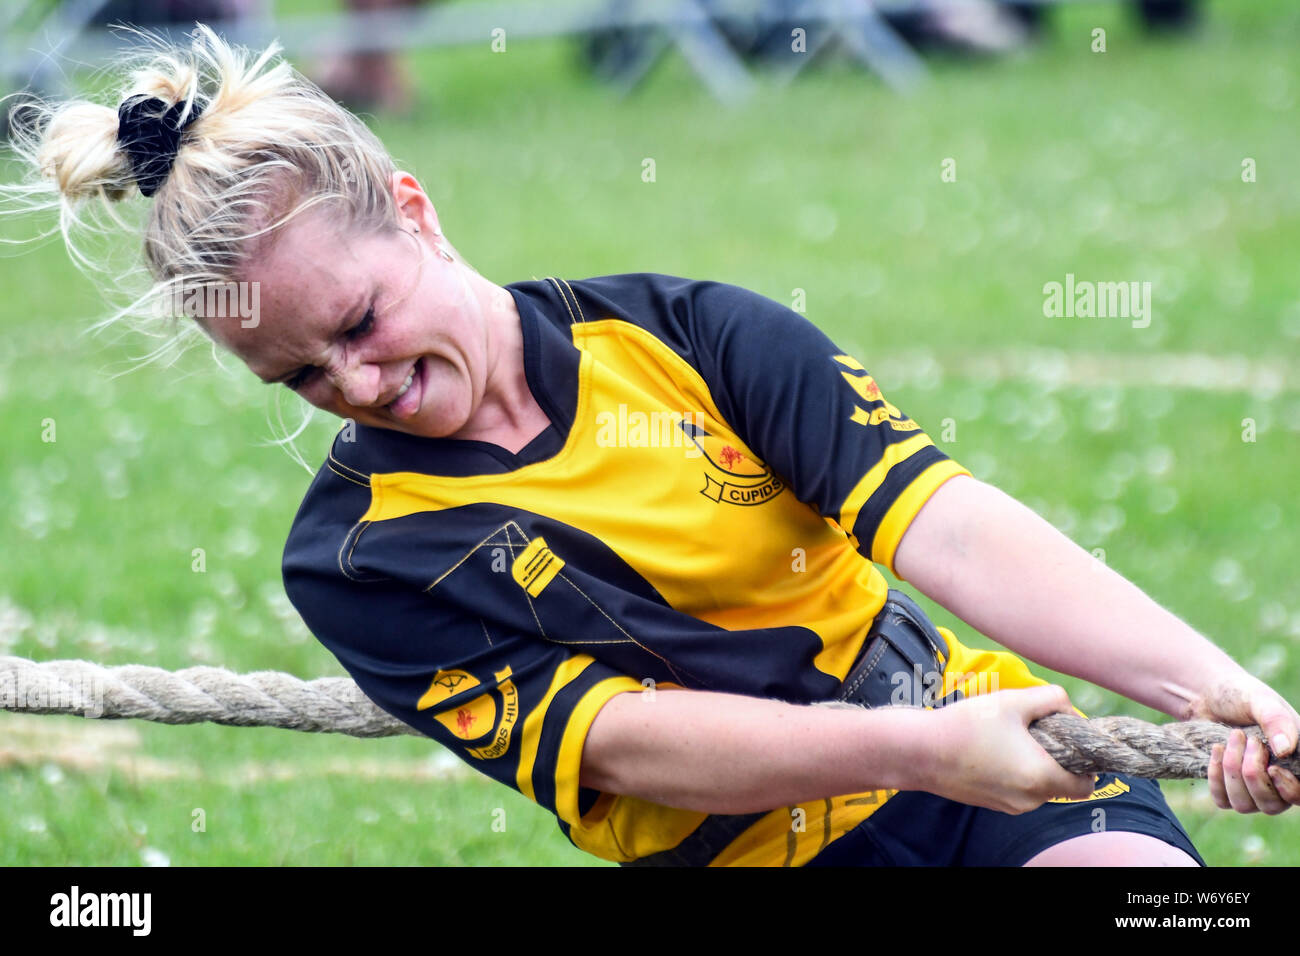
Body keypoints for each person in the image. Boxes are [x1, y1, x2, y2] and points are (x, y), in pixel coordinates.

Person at [6, 26, 1298, 867]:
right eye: (297, 373)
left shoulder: (686, 334)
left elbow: (943, 522)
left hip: (975, 740)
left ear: (417, 215)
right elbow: (627, 743)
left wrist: (1210, 687)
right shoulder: (354, 562)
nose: (354, 385)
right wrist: (918, 752)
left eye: (357, 322)